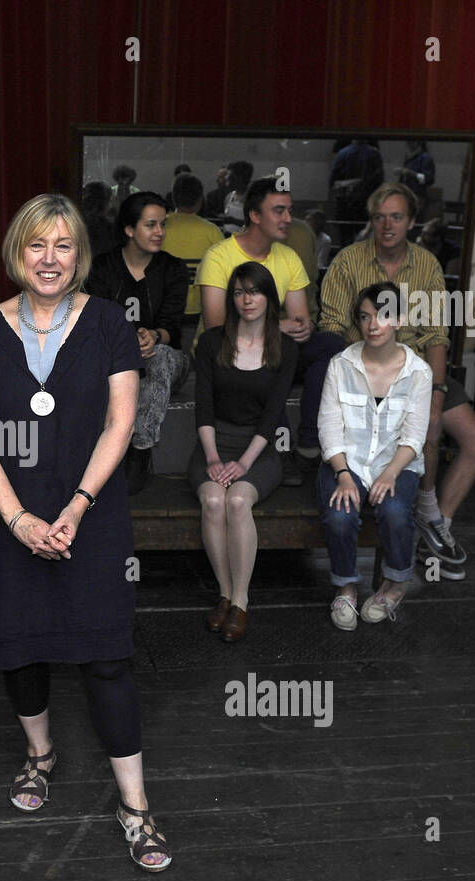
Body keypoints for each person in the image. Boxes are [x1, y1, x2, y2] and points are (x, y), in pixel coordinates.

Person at [0, 193, 171, 872]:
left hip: (92, 518)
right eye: (36, 246)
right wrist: (18, 518)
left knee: (107, 657)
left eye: (64, 246)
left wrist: (75, 507)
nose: (50, 260)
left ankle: (135, 806)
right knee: (20, 649)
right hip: (4, 519)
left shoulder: (109, 322)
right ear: (17, 253)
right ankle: (39, 755)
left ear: (80, 255)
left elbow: (121, 424)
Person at [319, 182, 475, 578]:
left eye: (396, 217)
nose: (387, 225)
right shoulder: (348, 261)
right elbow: (330, 329)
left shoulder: (427, 264)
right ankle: (424, 520)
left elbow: (435, 335)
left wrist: (436, 393)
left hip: (418, 368)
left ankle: (434, 520)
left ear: (412, 221)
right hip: (367, 367)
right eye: (379, 217)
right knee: (421, 435)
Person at [192, 176, 343, 487]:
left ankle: (308, 442)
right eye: (279, 211)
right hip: (227, 354)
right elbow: (217, 327)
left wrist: (297, 327)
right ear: (255, 216)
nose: (288, 219)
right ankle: (282, 453)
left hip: (274, 346)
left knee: (330, 346)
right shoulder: (220, 256)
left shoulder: (287, 257)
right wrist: (278, 326)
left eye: (289, 210)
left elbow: (300, 321)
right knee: (272, 369)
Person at [190, 263, 298, 642]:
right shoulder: (211, 342)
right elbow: (203, 407)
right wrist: (215, 459)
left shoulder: (285, 348)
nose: (246, 299)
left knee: (237, 499)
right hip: (213, 444)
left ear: (270, 297)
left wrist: (243, 464)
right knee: (214, 502)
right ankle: (223, 592)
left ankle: (241, 600)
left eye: (254, 291)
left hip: (259, 450)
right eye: (238, 292)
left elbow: (271, 419)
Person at [318, 282, 432, 629]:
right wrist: (343, 473)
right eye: (365, 317)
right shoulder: (341, 365)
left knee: (395, 511)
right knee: (340, 514)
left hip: (396, 463)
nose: (373, 325)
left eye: (382, 316)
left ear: (398, 319)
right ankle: (346, 588)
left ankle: (395, 583)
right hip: (346, 462)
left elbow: (414, 436)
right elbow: (329, 426)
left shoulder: (419, 372)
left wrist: (391, 473)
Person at [86, 191, 192, 494]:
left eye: (163, 225)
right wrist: (125, 341)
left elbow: (173, 325)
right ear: (129, 229)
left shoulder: (173, 268)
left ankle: (139, 449)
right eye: (150, 225)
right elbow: (94, 322)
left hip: (166, 358)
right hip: (114, 360)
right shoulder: (103, 267)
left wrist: (153, 336)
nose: (159, 232)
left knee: (156, 356)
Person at [162, 172, 224, 336]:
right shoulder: (212, 232)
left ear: (173, 197)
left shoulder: (160, 227)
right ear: (200, 200)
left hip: (165, 307)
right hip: (200, 307)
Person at [395, 139, 436, 212]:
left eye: (411, 142)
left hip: (417, 196)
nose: (409, 145)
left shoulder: (425, 158)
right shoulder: (410, 157)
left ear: (418, 143)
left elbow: (427, 179)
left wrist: (410, 173)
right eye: (408, 142)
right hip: (406, 195)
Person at [80, 180, 118, 258]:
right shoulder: (109, 230)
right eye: (110, 201)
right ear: (104, 203)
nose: (112, 205)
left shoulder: (74, 223)